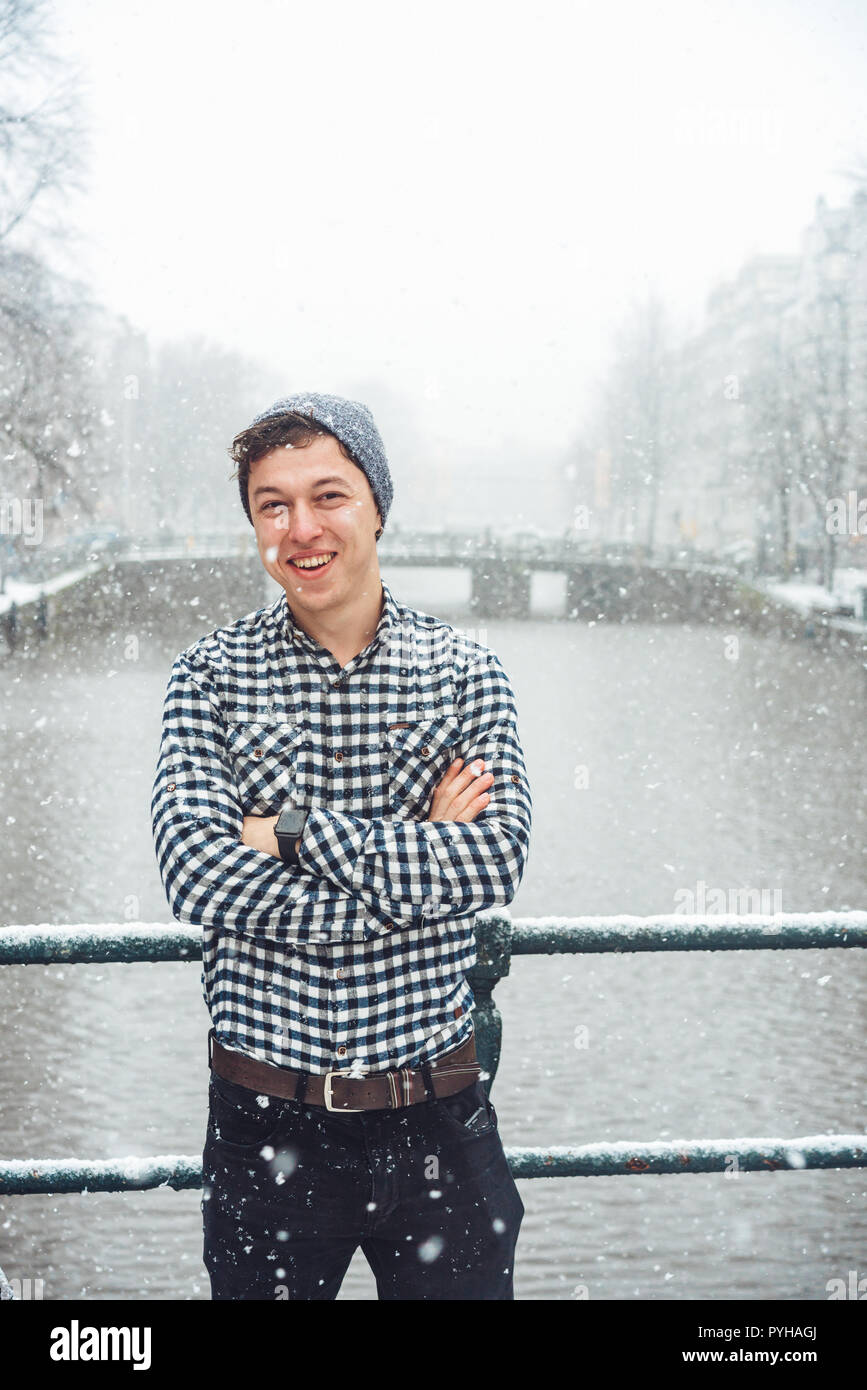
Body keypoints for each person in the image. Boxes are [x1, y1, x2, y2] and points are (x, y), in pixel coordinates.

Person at [151, 392, 533, 1300]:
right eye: (271, 506)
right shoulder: (209, 676)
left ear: (376, 507)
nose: (300, 528)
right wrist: (416, 858)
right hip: (266, 1123)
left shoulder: (465, 673)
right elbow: (198, 876)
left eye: (329, 496)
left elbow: (494, 859)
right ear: (253, 526)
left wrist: (290, 832)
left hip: (437, 1119)